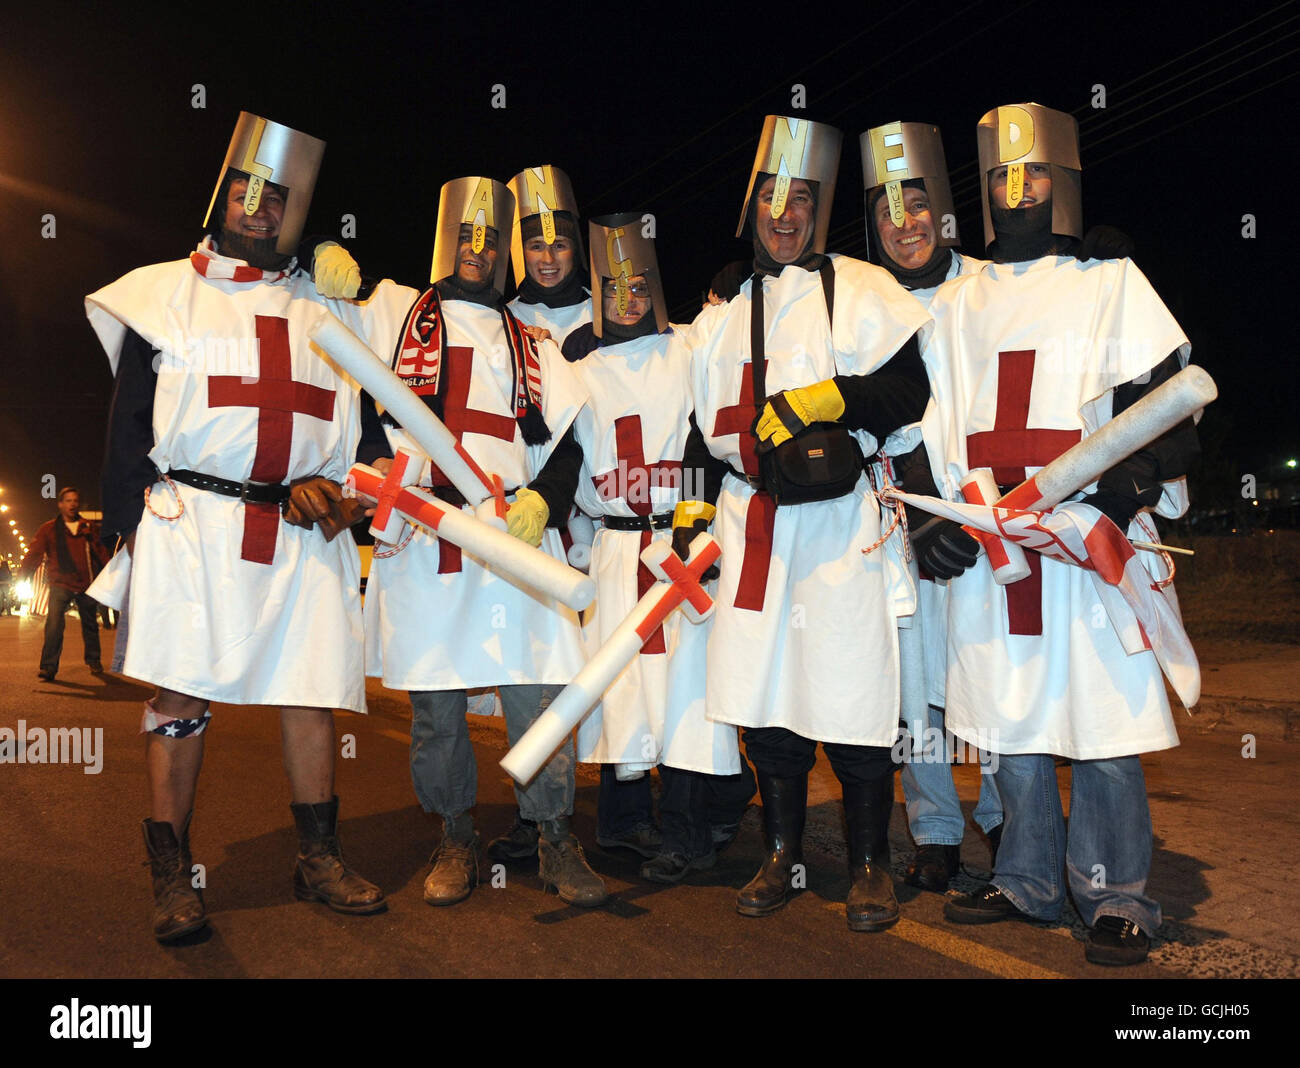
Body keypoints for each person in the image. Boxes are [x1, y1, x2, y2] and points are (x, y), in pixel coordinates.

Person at [88, 112, 385, 943]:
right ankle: (173, 877)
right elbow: (129, 429)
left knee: (310, 687)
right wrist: (127, 534)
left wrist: (336, 487)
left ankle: (317, 857)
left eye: (275, 197)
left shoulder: (330, 311)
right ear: (223, 195)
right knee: (180, 693)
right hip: (193, 524)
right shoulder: (163, 294)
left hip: (302, 532)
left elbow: (370, 440)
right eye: (245, 191)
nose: (258, 208)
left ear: (294, 210)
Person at [920, 103, 1199, 966]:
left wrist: (1124, 493)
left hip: (1084, 539)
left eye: (1032, 171)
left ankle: (1116, 895)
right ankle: (1029, 878)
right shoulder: (958, 301)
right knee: (1011, 718)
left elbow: (1173, 406)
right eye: (1001, 175)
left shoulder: (1109, 283)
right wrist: (939, 517)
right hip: (997, 542)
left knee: (1102, 719)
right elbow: (927, 423)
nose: (1016, 188)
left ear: (1063, 180)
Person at [685, 115, 931, 931]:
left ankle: (869, 866)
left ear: (819, 209)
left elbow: (906, 397)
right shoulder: (719, 311)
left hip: (837, 527)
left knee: (853, 695)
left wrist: (838, 396)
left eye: (800, 199)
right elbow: (697, 431)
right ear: (750, 205)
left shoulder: (862, 289)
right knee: (767, 698)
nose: (784, 214)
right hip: (751, 526)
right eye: (769, 196)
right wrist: (692, 514)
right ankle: (780, 854)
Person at [358, 176, 607, 907]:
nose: (478, 250)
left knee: (536, 689)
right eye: (466, 236)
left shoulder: (529, 341)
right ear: (445, 240)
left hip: (510, 536)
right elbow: (348, 376)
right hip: (428, 532)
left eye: (491, 239)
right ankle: (455, 834)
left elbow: (567, 440)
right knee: (438, 704)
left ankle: (555, 834)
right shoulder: (397, 314)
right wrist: (378, 462)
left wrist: (544, 500)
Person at [563, 213, 754, 883]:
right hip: (618, 552)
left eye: (640, 286)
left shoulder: (686, 348)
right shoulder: (576, 365)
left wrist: (741, 282)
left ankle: (686, 831)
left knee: (688, 695)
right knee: (625, 691)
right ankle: (621, 823)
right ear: (596, 293)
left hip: (683, 543)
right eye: (612, 289)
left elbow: (729, 353)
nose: (628, 301)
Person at [859, 120, 1003, 892]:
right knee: (915, 694)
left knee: (986, 675)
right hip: (897, 521)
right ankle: (937, 828)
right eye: (886, 211)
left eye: (916, 205)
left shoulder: (990, 285)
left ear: (943, 209)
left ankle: (1010, 816)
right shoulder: (859, 303)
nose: (904, 224)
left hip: (982, 520)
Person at [18, 487, 109, 680]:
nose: (72, 504)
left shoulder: (87, 527)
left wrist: (111, 572)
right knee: (54, 625)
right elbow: (34, 554)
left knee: (90, 624)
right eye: (68, 501)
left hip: (85, 583)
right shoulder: (49, 529)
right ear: (60, 504)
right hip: (60, 583)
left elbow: (100, 552)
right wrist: (23, 575)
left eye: (75, 501)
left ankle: (93, 660)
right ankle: (48, 667)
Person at [506, 165, 592, 348]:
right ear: (521, 254)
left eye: (559, 245)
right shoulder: (506, 321)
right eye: (536, 246)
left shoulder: (609, 313)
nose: (548, 259)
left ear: (575, 252)